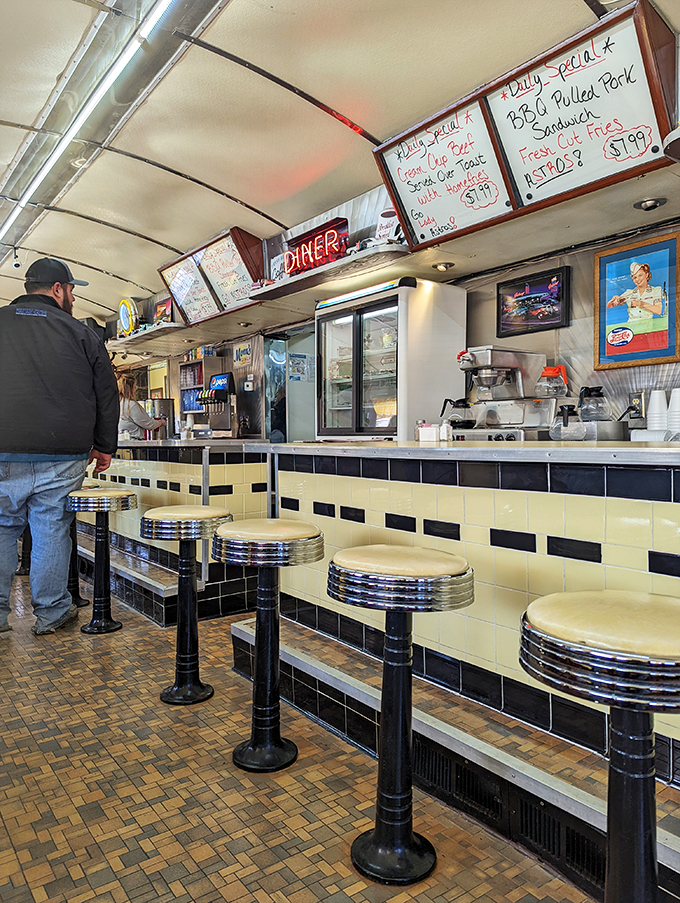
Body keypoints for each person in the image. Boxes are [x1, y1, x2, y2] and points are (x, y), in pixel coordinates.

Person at [0, 257, 119, 635]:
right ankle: (52, 613)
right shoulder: (82, 333)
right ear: (57, 289)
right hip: (63, 451)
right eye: (71, 290)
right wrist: (104, 445)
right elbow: (106, 393)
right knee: (52, 527)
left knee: (2, 527)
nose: (72, 298)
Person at [117, 373, 163, 439]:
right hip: (133, 443)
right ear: (129, 389)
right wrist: (161, 422)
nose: (135, 390)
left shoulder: (118, 404)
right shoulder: (131, 405)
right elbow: (148, 424)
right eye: (134, 387)